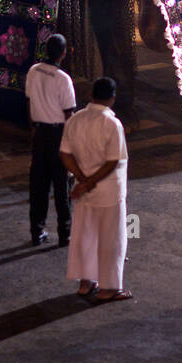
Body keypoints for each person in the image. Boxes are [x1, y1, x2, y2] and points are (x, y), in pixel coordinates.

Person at [61, 77, 131, 302]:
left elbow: (64, 153)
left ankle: (86, 282)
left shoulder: (75, 120)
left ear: (91, 95)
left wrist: (81, 179)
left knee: (85, 236)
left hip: (84, 193)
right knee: (111, 239)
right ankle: (108, 288)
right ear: (112, 98)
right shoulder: (112, 124)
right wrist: (89, 181)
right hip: (108, 192)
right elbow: (112, 162)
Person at [25, 33, 77, 245]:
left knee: (38, 186)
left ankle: (37, 232)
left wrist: (34, 130)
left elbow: (28, 103)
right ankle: (65, 234)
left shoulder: (33, 71)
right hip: (59, 137)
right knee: (62, 187)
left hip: (39, 135)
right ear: (63, 54)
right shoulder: (63, 79)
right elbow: (69, 115)